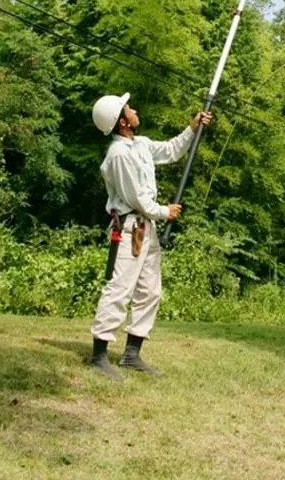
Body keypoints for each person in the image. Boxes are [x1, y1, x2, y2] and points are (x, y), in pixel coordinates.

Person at [89, 91, 211, 380]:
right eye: (128, 108)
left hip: (147, 229)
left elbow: (171, 150)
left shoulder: (140, 144)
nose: (133, 109)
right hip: (130, 227)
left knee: (149, 291)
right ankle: (98, 355)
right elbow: (135, 199)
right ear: (122, 123)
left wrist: (192, 128)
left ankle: (132, 354)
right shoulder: (117, 155)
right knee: (119, 289)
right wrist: (164, 211)